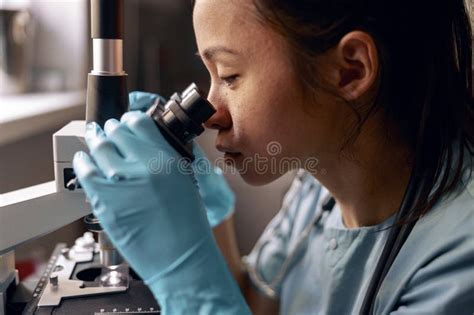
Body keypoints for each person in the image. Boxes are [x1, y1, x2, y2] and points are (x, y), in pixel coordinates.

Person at [73, 0, 474, 314]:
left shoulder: (459, 262)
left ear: (349, 70)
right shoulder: (317, 194)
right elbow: (254, 303)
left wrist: (185, 272)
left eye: (228, 75)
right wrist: (207, 211)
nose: (210, 113)